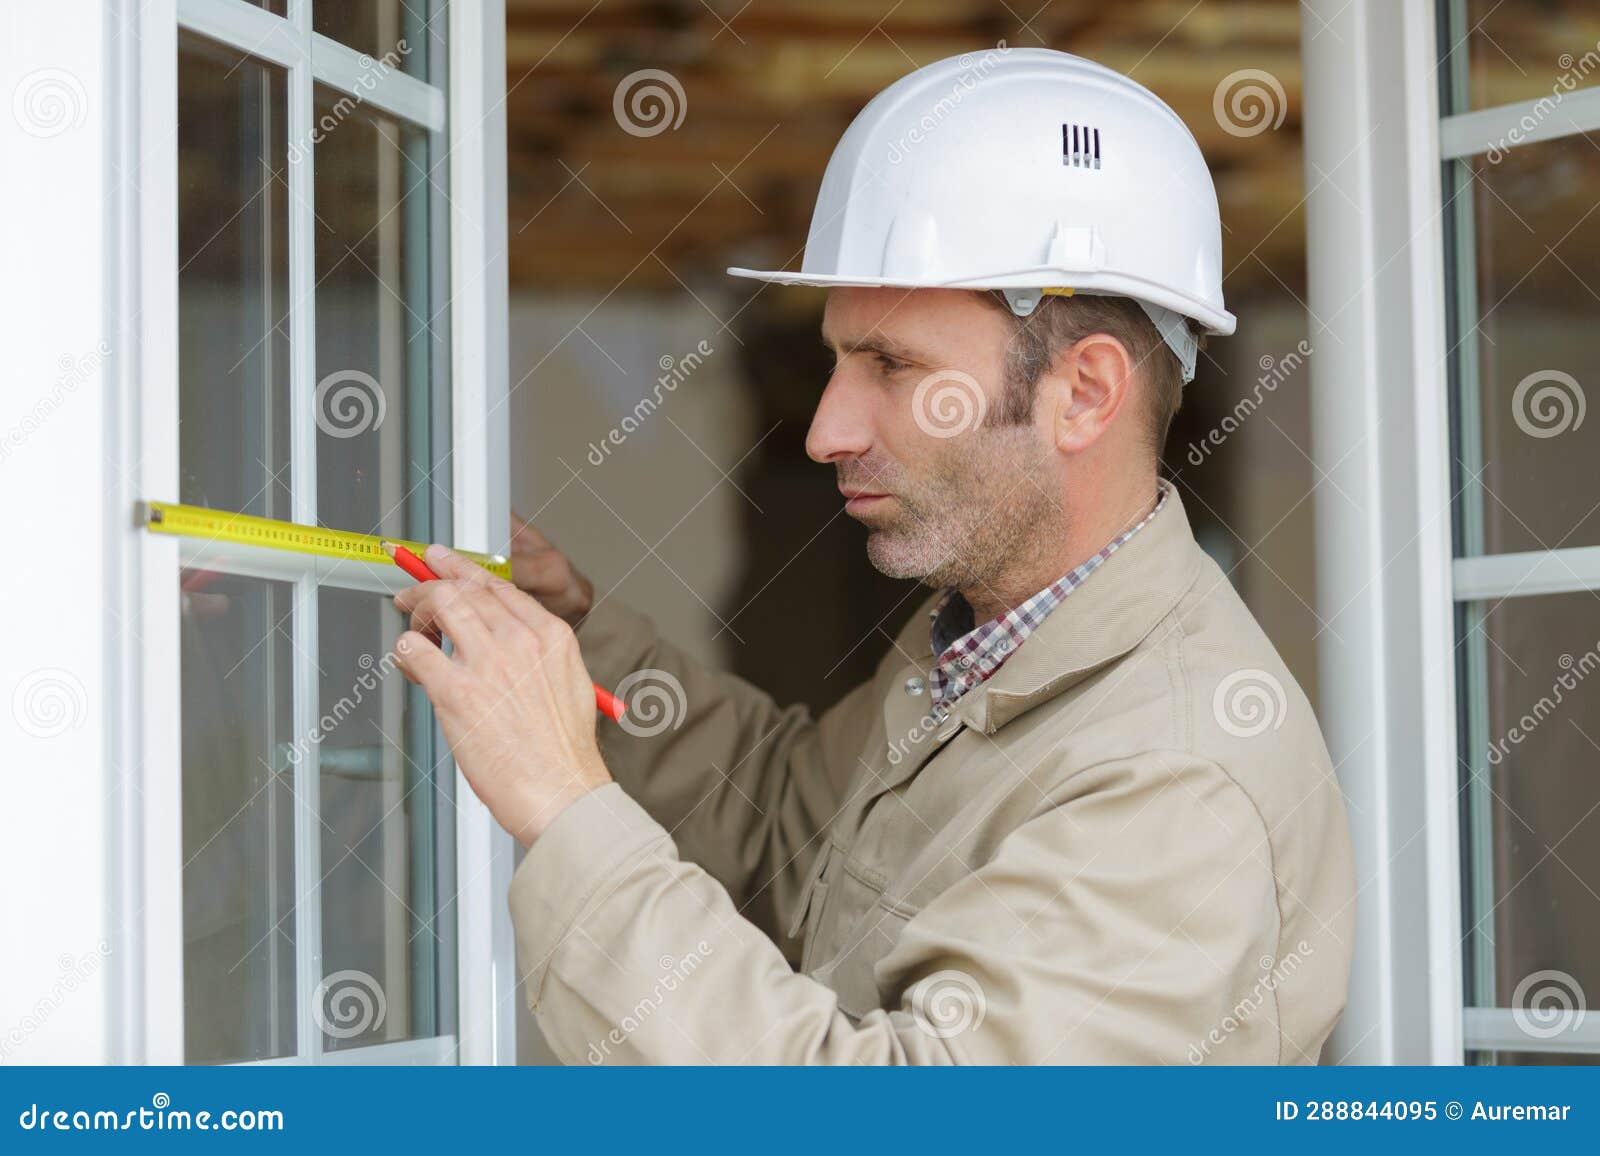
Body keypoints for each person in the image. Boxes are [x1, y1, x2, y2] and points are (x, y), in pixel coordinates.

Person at [391, 48, 1355, 1064]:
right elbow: (783, 820)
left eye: (890, 366)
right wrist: (570, 642)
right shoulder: (990, 638)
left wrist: (563, 805)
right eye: (838, 359)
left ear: (1083, 393)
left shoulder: (1177, 780)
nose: (823, 430)